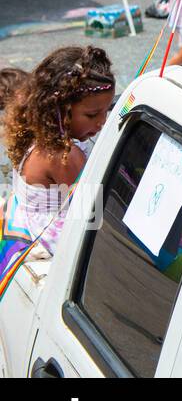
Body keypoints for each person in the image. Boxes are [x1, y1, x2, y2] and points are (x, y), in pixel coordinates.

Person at [1, 46, 115, 256]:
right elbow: (93, 214)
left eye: (106, 110)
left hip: (27, 222)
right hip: (52, 241)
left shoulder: (40, 132)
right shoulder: (64, 155)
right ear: (60, 109)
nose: (102, 122)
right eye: (92, 115)